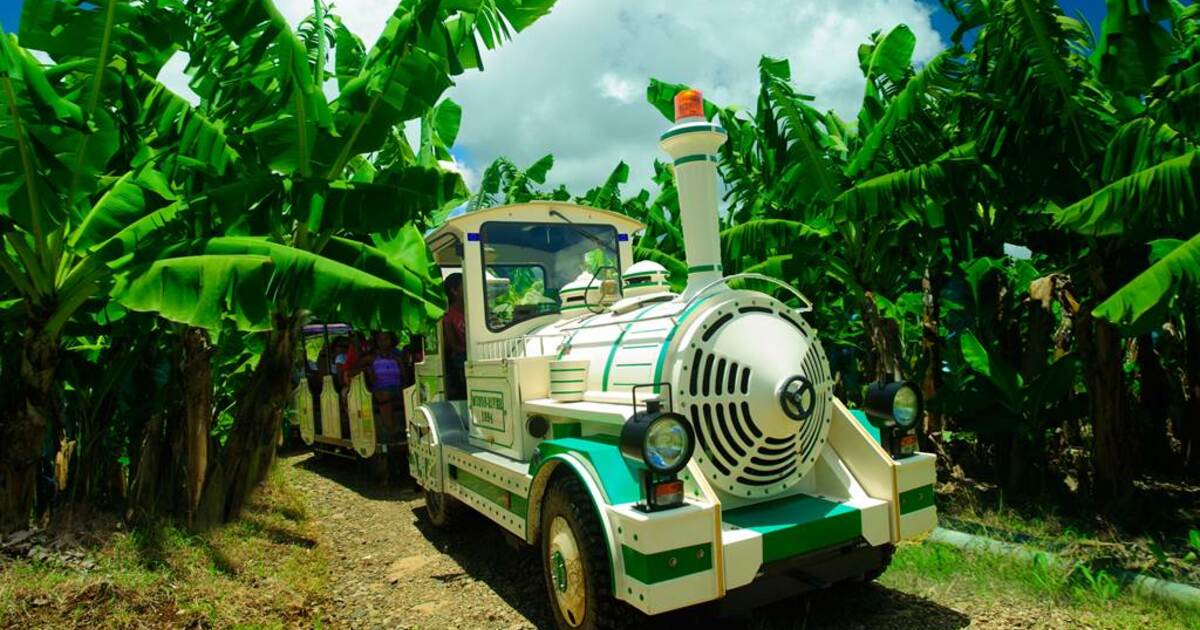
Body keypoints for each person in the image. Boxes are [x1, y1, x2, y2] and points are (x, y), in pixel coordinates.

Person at [443, 273, 467, 400]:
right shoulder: (449, 315)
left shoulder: (472, 308)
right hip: (461, 359)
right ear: (454, 291)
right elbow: (453, 345)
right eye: (464, 285)